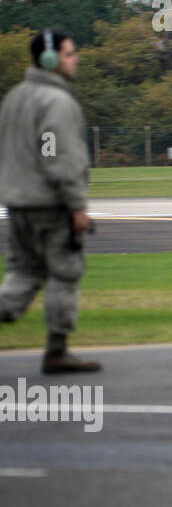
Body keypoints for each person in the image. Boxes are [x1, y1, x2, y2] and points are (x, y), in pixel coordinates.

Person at [0, 29, 101, 373]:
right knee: (64, 272)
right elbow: (54, 155)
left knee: (23, 273)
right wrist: (77, 205)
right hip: (50, 205)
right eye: (70, 53)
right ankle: (57, 351)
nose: (76, 59)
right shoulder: (56, 102)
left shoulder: (14, 97)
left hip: (17, 205)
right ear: (50, 58)